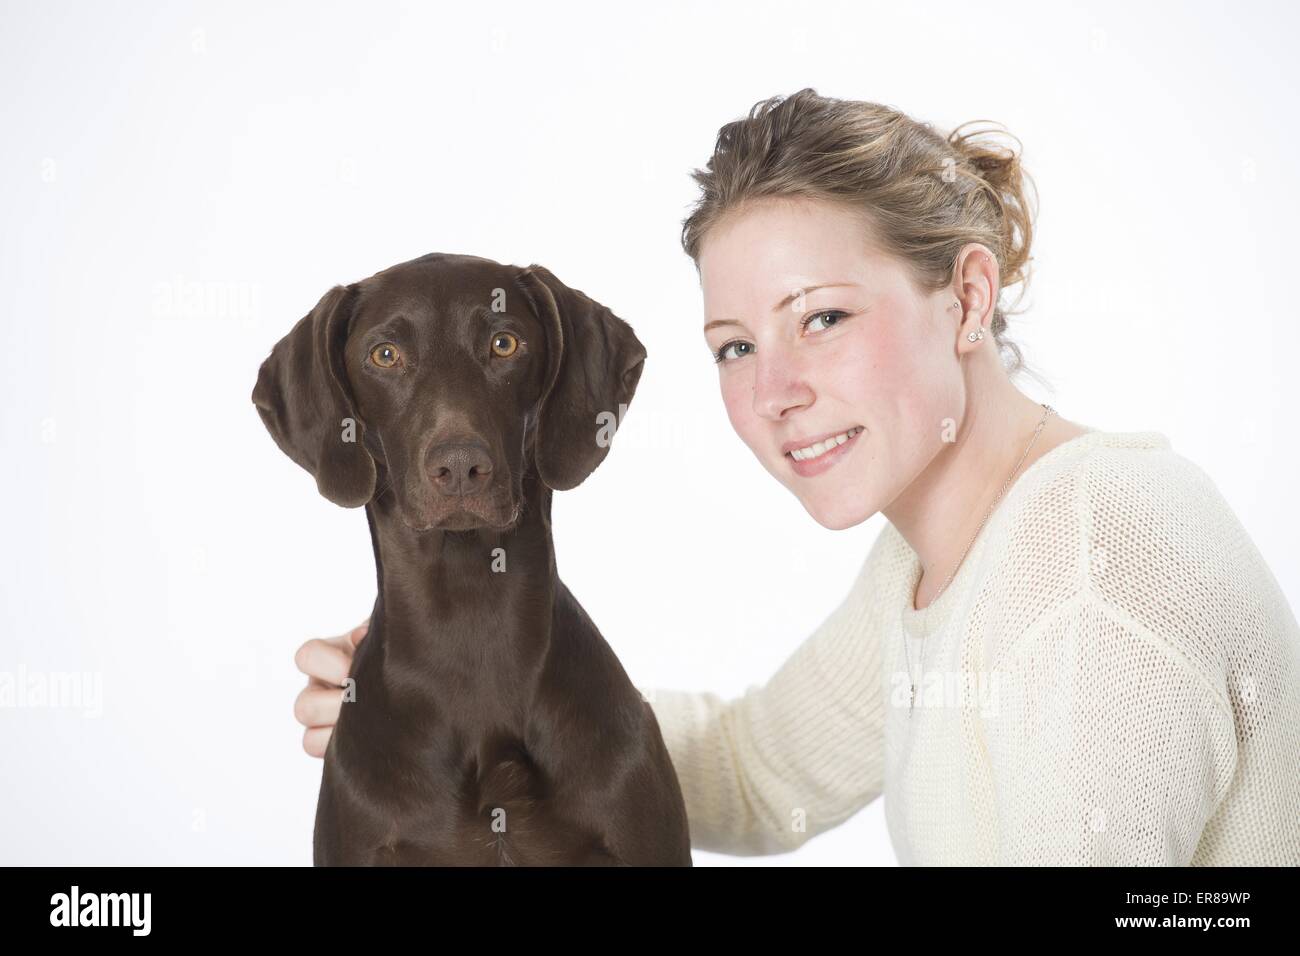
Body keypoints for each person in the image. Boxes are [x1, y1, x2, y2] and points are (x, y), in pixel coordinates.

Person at [292, 88, 1300, 865]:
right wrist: (447, 708)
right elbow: (761, 769)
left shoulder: (1089, 579)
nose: (774, 390)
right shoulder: (947, 549)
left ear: (965, 297)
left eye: (821, 317)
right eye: (735, 346)